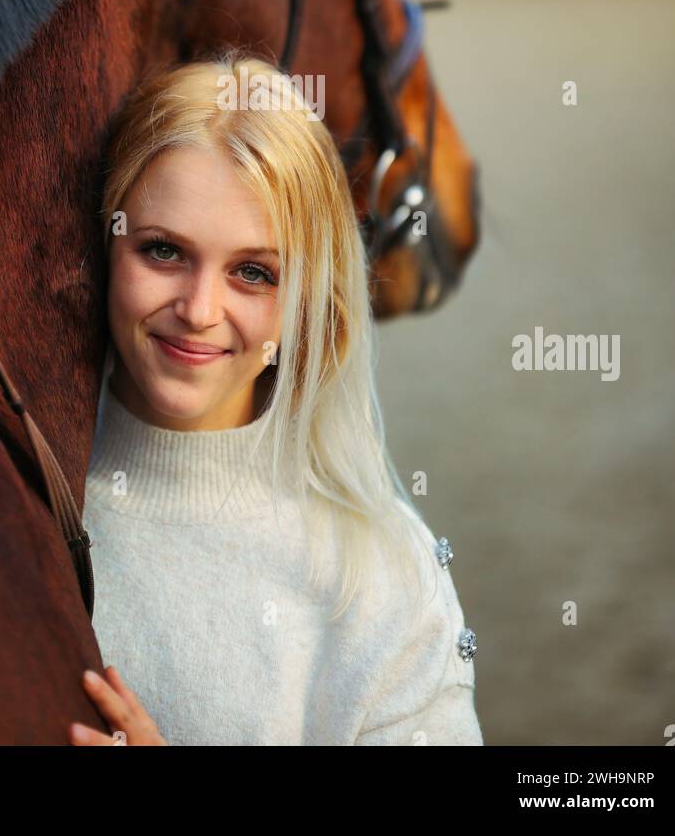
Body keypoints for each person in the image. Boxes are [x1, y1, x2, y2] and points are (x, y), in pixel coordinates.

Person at [69, 49, 483, 747]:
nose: (200, 310)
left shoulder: (379, 576)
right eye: (164, 251)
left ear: (307, 303)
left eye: (253, 272)